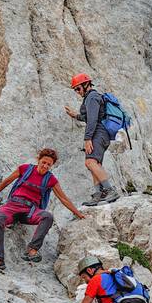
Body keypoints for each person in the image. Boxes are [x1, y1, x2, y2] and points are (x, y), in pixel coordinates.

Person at [0, 147, 84, 271]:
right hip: (12, 205)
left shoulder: (51, 179)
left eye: (49, 164)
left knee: (47, 216)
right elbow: (6, 182)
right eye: (44, 162)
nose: (45, 166)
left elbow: (63, 198)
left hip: (30, 211)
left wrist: (78, 214)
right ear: (38, 160)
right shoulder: (25, 169)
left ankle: (32, 250)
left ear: (52, 165)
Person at [64, 73, 118, 206]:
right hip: (102, 134)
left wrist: (87, 139)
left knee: (89, 162)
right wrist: (75, 115)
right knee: (95, 164)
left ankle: (110, 190)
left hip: (98, 133)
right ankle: (98, 194)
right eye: (75, 90)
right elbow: (89, 117)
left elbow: (92, 120)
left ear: (86, 84)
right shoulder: (91, 97)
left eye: (78, 88)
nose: (77, 92)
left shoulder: (92, 97)